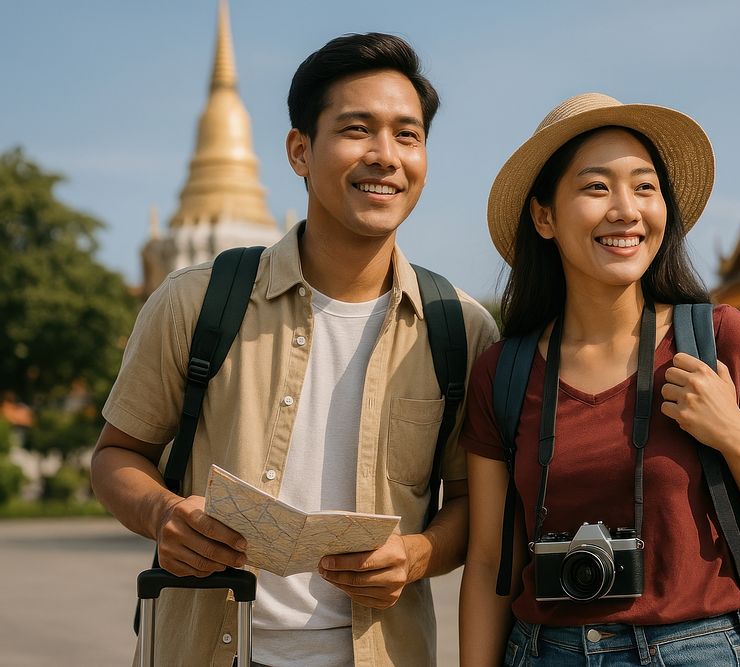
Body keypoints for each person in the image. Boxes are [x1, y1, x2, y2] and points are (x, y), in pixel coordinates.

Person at [91, 33, 498, 667]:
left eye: (408, 135)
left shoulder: (460, 330)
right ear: (299, 150)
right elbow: (116, 455)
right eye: (357, 129)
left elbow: (474, 501)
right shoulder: (196, 303)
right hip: (208, 650)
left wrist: (418, 554)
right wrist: (162, 514)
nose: (385, 156)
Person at [459, 93, 740, 666]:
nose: (626, 210)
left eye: (644, 187)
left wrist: (733, 433)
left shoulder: (720, 341)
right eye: (596, 186)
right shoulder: (502, 374)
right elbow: (489, 564)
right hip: (542, 652)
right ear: (544, 217)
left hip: (698, 651)